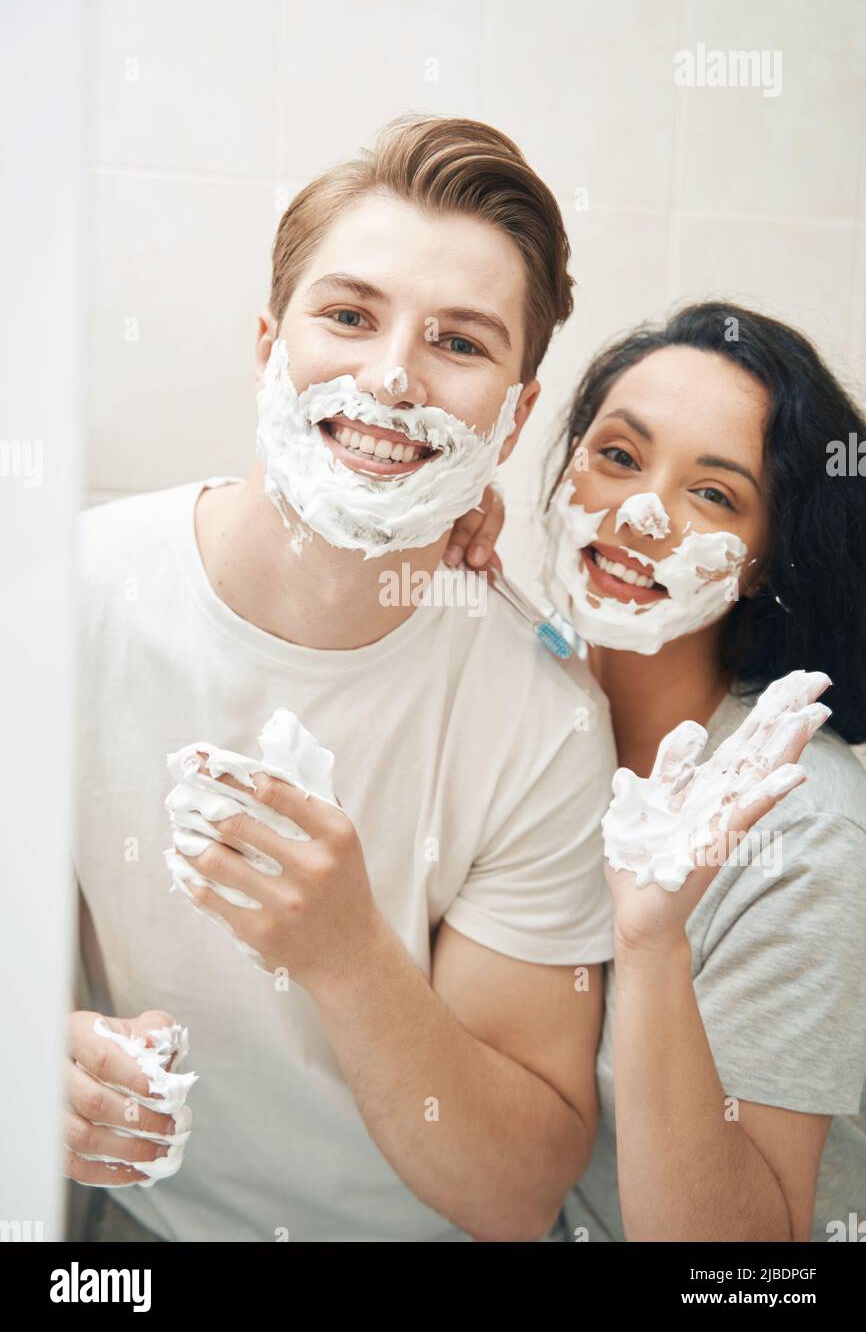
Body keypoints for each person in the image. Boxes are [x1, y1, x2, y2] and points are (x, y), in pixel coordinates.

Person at [68, 113, 620, 1243]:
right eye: (348, 316)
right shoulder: (68, 596)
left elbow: (514, 1192)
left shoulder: (544, 720)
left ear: (513, 417)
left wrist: (346, 955)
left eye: (459, 344)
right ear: (269, 343)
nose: (390, 377)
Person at [449, 300, 866, 1241]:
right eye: (619, 457)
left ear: (761, 563)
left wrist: (652, 951)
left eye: (713, 495)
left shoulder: (802, 822)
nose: (639, 516)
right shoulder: (523, 690)